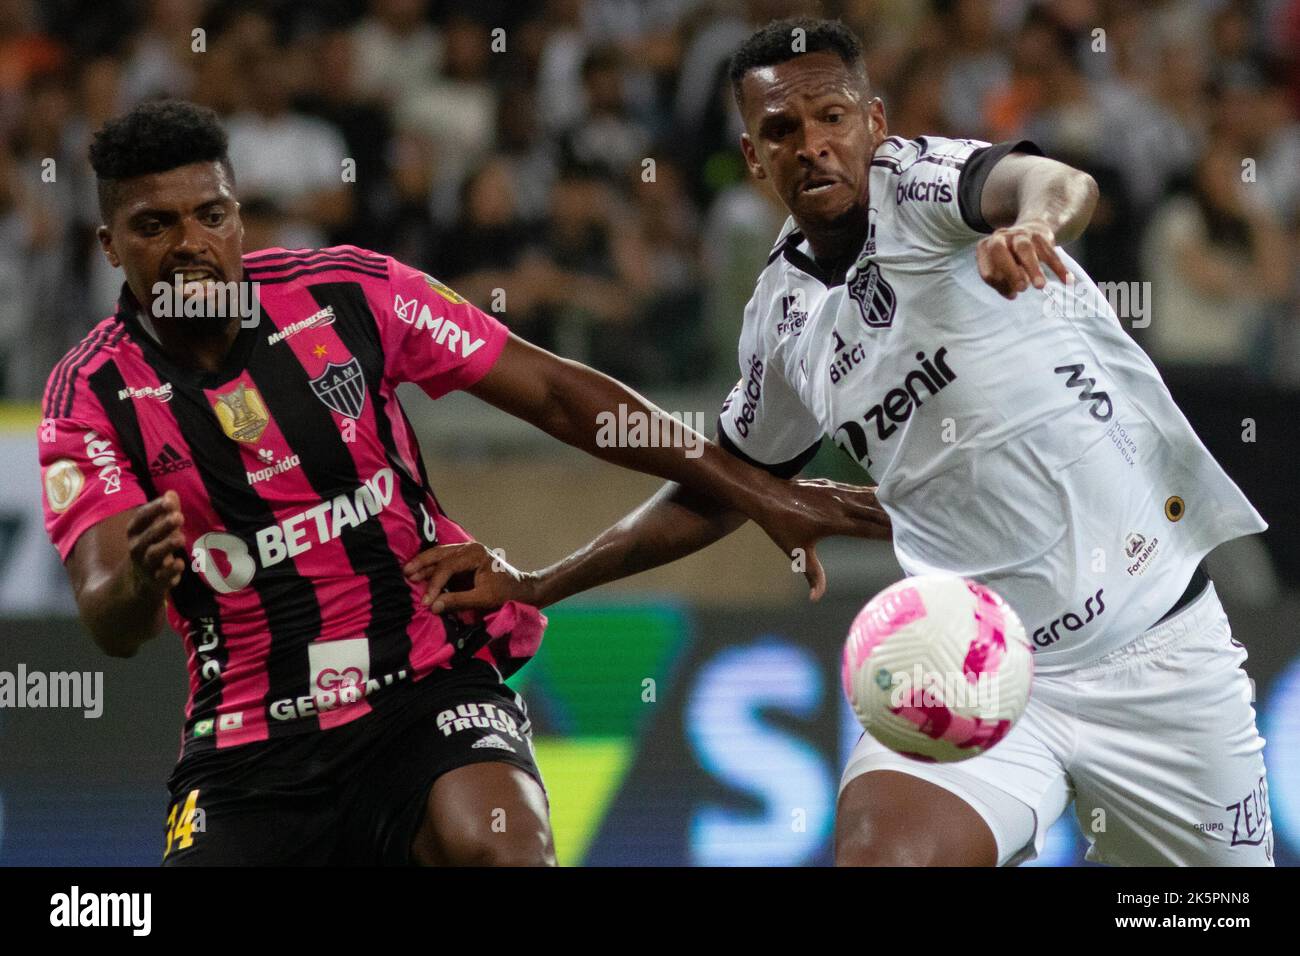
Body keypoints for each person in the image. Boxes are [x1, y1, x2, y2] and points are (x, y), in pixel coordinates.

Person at [407, 18, 1275, 867]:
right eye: (780, 129)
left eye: (832, 117)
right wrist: (543, 583)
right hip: (963, 657)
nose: (811, 144)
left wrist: (1034, 226)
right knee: (884, 855)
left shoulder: (928, 189)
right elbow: (723, 488)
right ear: (753, 157)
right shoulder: (783, 319)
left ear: (876, 123)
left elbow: (1053, 181)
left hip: (1155, 645)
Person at [37, 99, 887, 866]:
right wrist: (144, 574)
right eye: (155, 225)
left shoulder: (347, 294)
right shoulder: (89, 398)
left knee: (500, 848)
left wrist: (757, 489)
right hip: (250, 741)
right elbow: (112, 618)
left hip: (426, 685)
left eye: (210, 215)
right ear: (110, 244)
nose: (190, 244)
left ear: (238, 219)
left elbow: (558, 394)